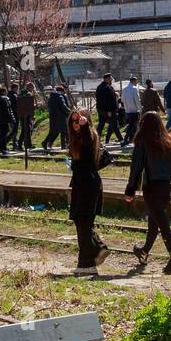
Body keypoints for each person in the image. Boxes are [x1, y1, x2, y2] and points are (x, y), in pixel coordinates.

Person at [124, 112, 171, 273]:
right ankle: (144, 252)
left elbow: (136, 167)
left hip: (152, 187)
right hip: (167, 187)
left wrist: (130, 190)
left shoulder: (142, 141)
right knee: (154, 221)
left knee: (162, 223)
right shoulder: (169, 140)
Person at [68, 109, 112, 276]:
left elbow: (88, 139)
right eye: (73, 121)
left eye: (78, 120)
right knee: (82, 222)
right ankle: (97, 250)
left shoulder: (89, 136)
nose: (75, 124)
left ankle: (87, 264)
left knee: (83, 222)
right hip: (82, 185)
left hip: (88, 185)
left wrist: (84, 126)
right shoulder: (76, 139)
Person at [43, 84, 72, 151]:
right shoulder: (60, 96)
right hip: (61, 117)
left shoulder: (51, 97)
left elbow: (48, 106)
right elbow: (64, 106)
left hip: (53, 116)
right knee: (64, 131)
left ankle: (46, 143)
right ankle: (64, 146)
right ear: (61, 91)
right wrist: (70, 112)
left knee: (55, 132)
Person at [95, 74, 120, 144]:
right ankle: (121, 140)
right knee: (115, 125)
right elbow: (106, 100)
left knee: (101, 125)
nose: (111, 80)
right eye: (110, 79)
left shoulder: (100, 87)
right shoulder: (106, 88)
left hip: (101, 110)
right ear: (106, 79)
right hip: (108, 110)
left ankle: (96, 139)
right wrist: (109, 110)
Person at [14, 82, 37, 152]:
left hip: (21, 114)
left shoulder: (20, 93)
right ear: (30, 87)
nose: (33, 89)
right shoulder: (28, 94)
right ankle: (20, 144)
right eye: (33, 88)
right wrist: (32, 114)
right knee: (25, 130)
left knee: (27, 129)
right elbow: (30, 106)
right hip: (27, 114)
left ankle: (28, 144)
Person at [121, 76, 141, 147]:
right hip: (135, 110)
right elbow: (137, 100)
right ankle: (126, 139)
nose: (137, 83)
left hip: (127, 110)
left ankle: (131, 139)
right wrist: (140, 109)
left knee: (132, 125)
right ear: (134, 81)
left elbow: (122, 100)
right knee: (132, 125)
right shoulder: (134, 89)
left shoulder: (124, 89)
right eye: (136, 82)